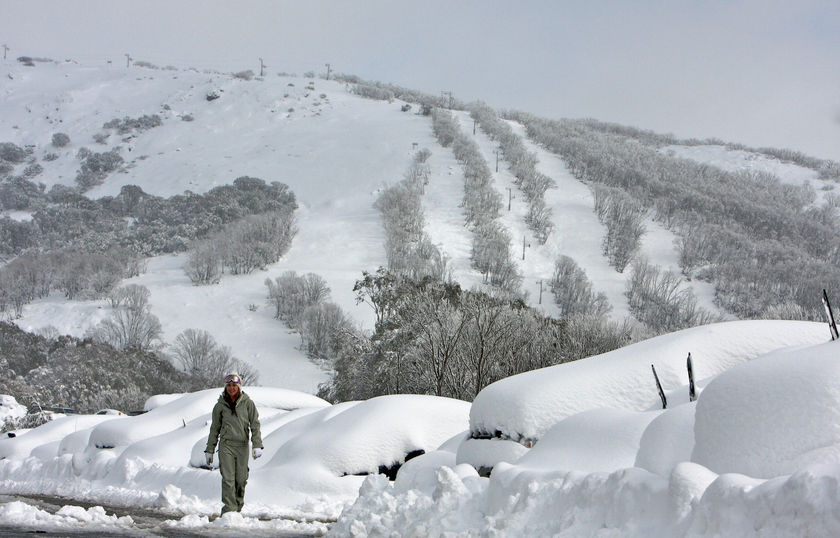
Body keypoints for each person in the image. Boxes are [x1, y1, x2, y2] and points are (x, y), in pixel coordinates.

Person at [204, 372, 263, 515]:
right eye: (229, 385)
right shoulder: (220, 406)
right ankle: (229, 510)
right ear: (225, 387)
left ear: (239, 387)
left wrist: (257, 444)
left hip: (242, 445)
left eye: (234, 385)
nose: (231, 388)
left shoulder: (248, 403)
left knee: (241, 479)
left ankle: (237, 507)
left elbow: (255, 424)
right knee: (228, 478)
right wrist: (209, 449)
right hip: (227, 445)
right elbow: (214, 429)